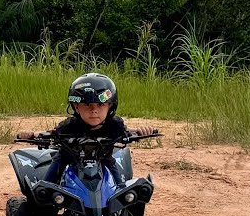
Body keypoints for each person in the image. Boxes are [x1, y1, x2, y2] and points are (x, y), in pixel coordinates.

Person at [16, 72, 158, 185]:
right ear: (76, 106)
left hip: (104, 158)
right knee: (45, 189)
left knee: (121, 190)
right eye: (86, 105)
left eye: (100, 105)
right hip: (68, 158)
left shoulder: (115, 124)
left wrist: (141, 130)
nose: (94, 110)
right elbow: (51, 133)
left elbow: (127, 131)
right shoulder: (69, 125)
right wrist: (31, 134)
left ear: (110, 106)